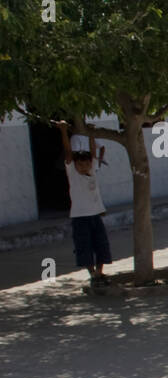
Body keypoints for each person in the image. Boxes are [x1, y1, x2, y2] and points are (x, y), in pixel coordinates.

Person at [55, 120, 112, 286]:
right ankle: (92, 273)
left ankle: (100, 272)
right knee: (84, 246)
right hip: (80, 216)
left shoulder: (93, 169)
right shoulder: (73, 173)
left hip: (95, 215)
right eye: (80, 164)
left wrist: (91, 134)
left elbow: (93, 152)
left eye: (86, 163)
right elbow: (68, 152)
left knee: (101, 244)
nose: (83, 166)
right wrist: (64, 131)